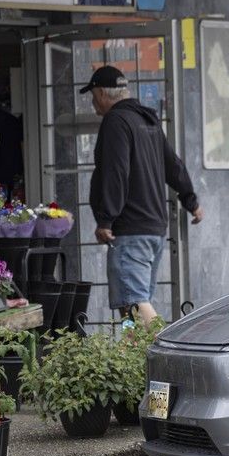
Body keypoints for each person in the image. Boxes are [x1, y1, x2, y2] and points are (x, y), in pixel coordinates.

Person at [82, 65, 203, 324]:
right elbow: (174, 165)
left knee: (135, 304)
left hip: (131, 229)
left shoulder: (116, 121)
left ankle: (169, 358)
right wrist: (190, 200)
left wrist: (106, 220)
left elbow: (116, 172)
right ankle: (139, 362)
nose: (93, 105)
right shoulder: (146, 120)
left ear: (103, 93)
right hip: (152, 228)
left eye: (93, 97)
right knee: (132, 309)